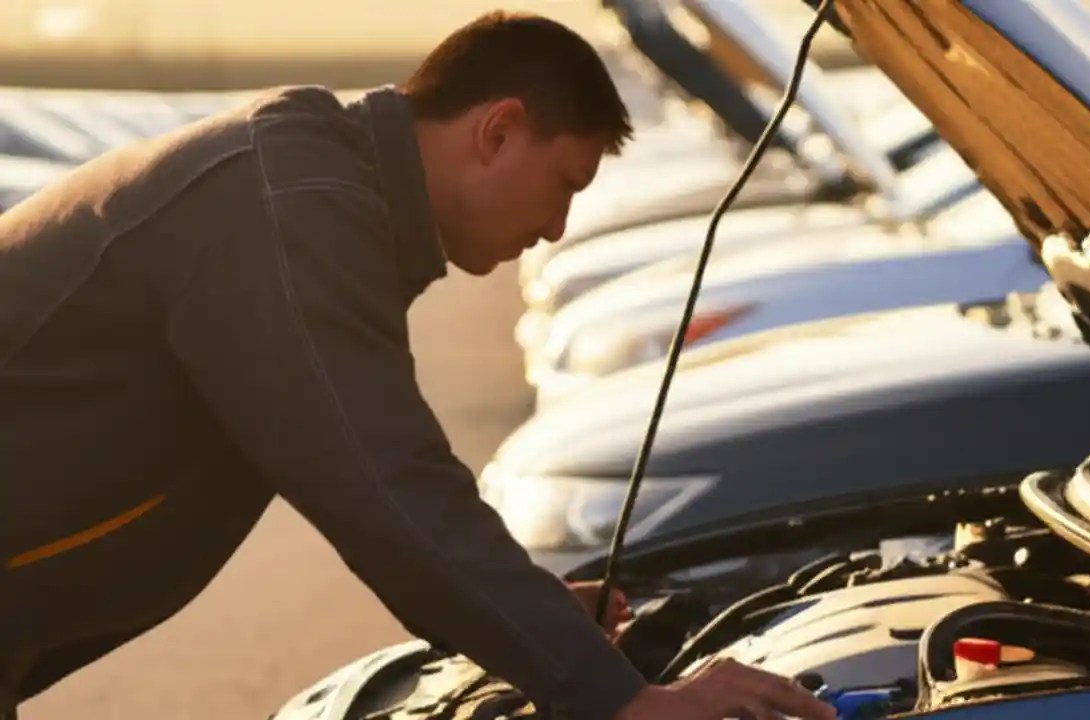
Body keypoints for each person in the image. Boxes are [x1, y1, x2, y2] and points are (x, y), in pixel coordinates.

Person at [0, 10, 834, 720]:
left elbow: (386, 489)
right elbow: (387, 487)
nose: (555, 228)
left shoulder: (322, 185)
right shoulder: (289, 210)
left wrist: (529, 620)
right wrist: (621, 699)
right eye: (563, 184)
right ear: (496, 130)